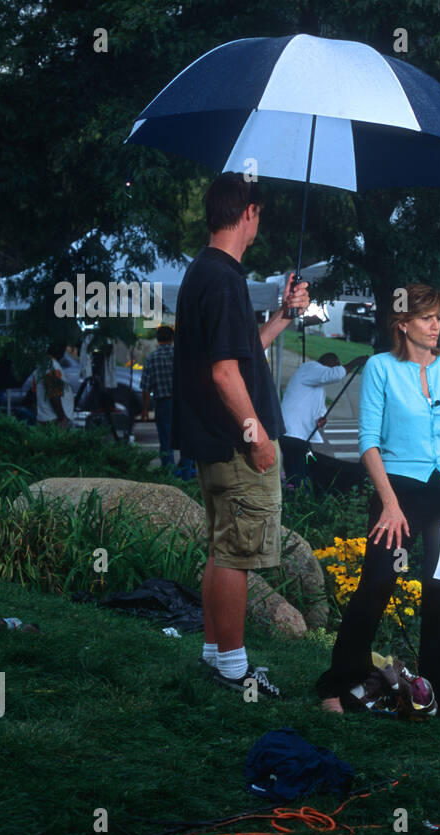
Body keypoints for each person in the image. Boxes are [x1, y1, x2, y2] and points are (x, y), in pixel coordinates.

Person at [315, 283, 440, 722]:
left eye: (439, 318)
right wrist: (390, 505)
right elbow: (368, 443)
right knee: (377, 582)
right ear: (402, 323)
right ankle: (339, 684)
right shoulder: (380, 369)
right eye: (428, 317)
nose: (436, 325)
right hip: (400, 491)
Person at [172, 172, 310, 699]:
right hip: (235, 446)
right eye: (260, 214)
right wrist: (257, 437)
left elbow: (238, 350)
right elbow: (225, 373)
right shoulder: (225, 278)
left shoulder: (202, 273)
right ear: (249, 212)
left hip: (211, 442)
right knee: (236, 555)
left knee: (221, 548)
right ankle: (234, 670)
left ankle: (216, 654)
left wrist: (281, 318)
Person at [279, 351, 369, 489]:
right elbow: (334, 375)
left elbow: (320, 411)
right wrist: (355, 362)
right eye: (336, 365)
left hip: (300, 437)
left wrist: (321, 419)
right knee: (298, 473)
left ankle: (300, 496)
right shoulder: (309, 368)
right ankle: (297, 499)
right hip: (291, 434)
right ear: (327, 362)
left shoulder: (317, 386)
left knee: (307, 464)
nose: (337, 367)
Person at [141, 324, 176, 469]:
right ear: (172, 339)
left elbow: (146, 387)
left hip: (162, 404)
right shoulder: (179, 355)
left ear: (157, 339)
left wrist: (144, 410)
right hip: (181, 403)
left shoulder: (151, 358)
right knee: (186, 439)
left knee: (165, 441)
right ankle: (187, 475)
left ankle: (169, 475)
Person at [35, 342, 76, 429]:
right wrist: (62, 418)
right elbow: (54, 395)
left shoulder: (44, 365)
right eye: (63, 349)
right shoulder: (51, 366)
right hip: (53, 420)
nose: (63, 352)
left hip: (48, 417)